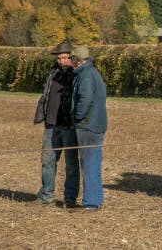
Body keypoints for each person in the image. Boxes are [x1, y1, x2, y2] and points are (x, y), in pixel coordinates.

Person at [33, 41, 80, 207]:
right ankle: (46, 195)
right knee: (47, 161)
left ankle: (70, 199)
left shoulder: (77, 74)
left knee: (71, 164)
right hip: (51, 125)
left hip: (68, 126)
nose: (62, 61)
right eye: (59, 58)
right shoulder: (53, 72)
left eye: (65, 57)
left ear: (72, 57)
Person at [69, 45, 107, 212]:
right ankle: (96, 200)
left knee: (89, 164)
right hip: (96, 124)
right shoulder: (92, 73)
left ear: (78, 61)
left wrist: (77, 117)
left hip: (88, 125)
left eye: (72, 60)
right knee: (94, 163)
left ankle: (90, 203)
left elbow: (84, 99)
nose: (70, 63)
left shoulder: (85, 75)